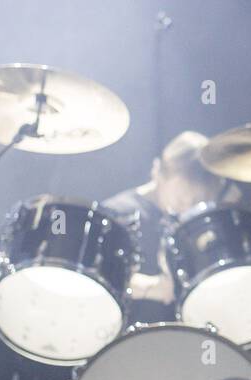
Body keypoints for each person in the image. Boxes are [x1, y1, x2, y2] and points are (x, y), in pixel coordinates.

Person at [102, 130, 240, 314]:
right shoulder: (117, 214)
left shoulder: (197, 221)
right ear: (157, 171)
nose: (187, 208)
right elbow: (91, 278)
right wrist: (153, 287)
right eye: (182, 199)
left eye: (197, 202)